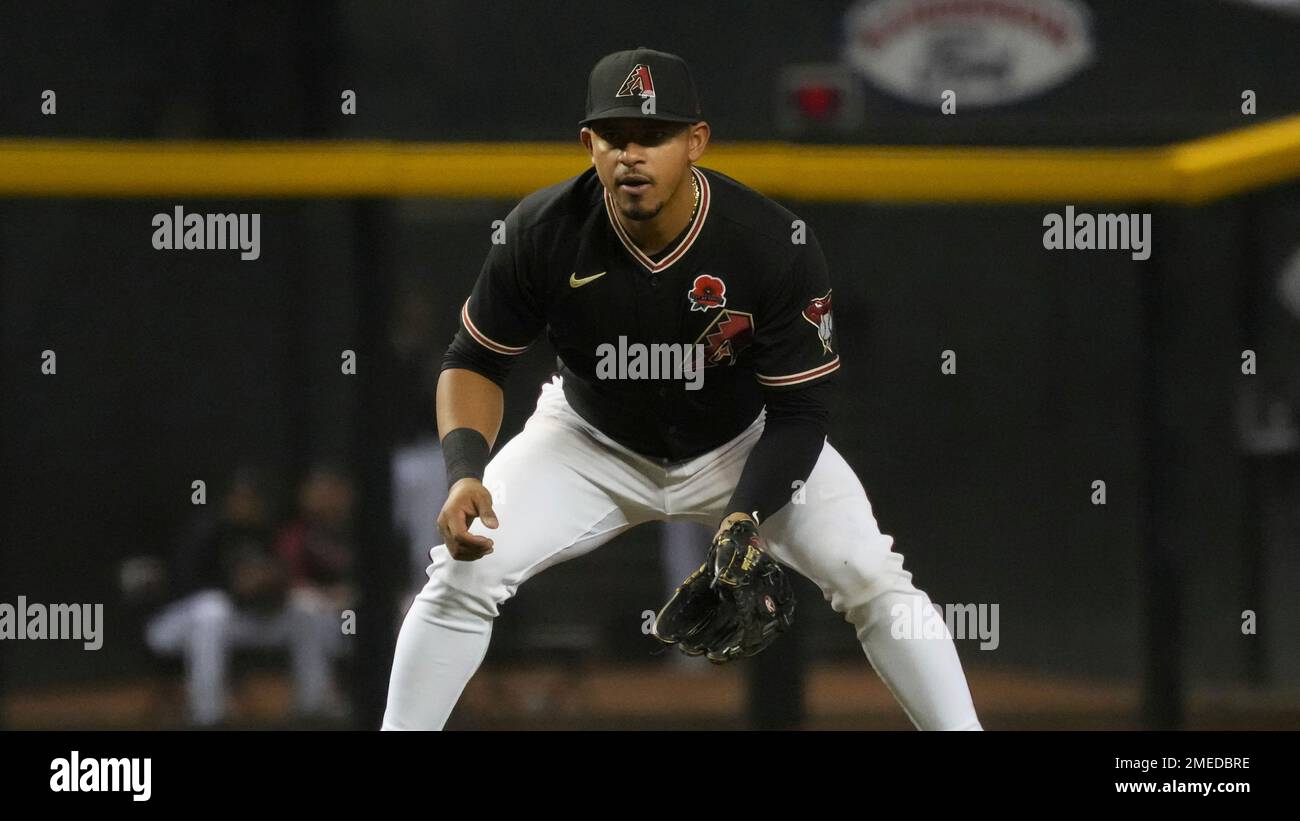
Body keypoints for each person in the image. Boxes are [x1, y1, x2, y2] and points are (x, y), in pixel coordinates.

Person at [383, 48, 981, 730]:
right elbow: (473, 360)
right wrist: (464, 473)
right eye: (614, 136)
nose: (631, 154)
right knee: (461, 575)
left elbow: (801, 411)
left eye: (654, 136)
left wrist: (747, 514)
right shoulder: (542, 232)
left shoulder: (768, 241)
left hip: (745, 443)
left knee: (876, 580)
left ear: (695, 141)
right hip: (586, 440)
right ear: (589, 144)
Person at [146, 468, 338, 726]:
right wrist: (233, 586)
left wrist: (267, 584)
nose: (245, 504)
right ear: (227, 499)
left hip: (236, 620)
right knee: (211, 611)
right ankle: (208, 715)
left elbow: (279, 581)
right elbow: (184, 585)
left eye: (251, 498)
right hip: (177, 623)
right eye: (240, 497)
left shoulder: (264, 533)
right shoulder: (206, 531)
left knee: (305, 612)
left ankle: (313, 707)